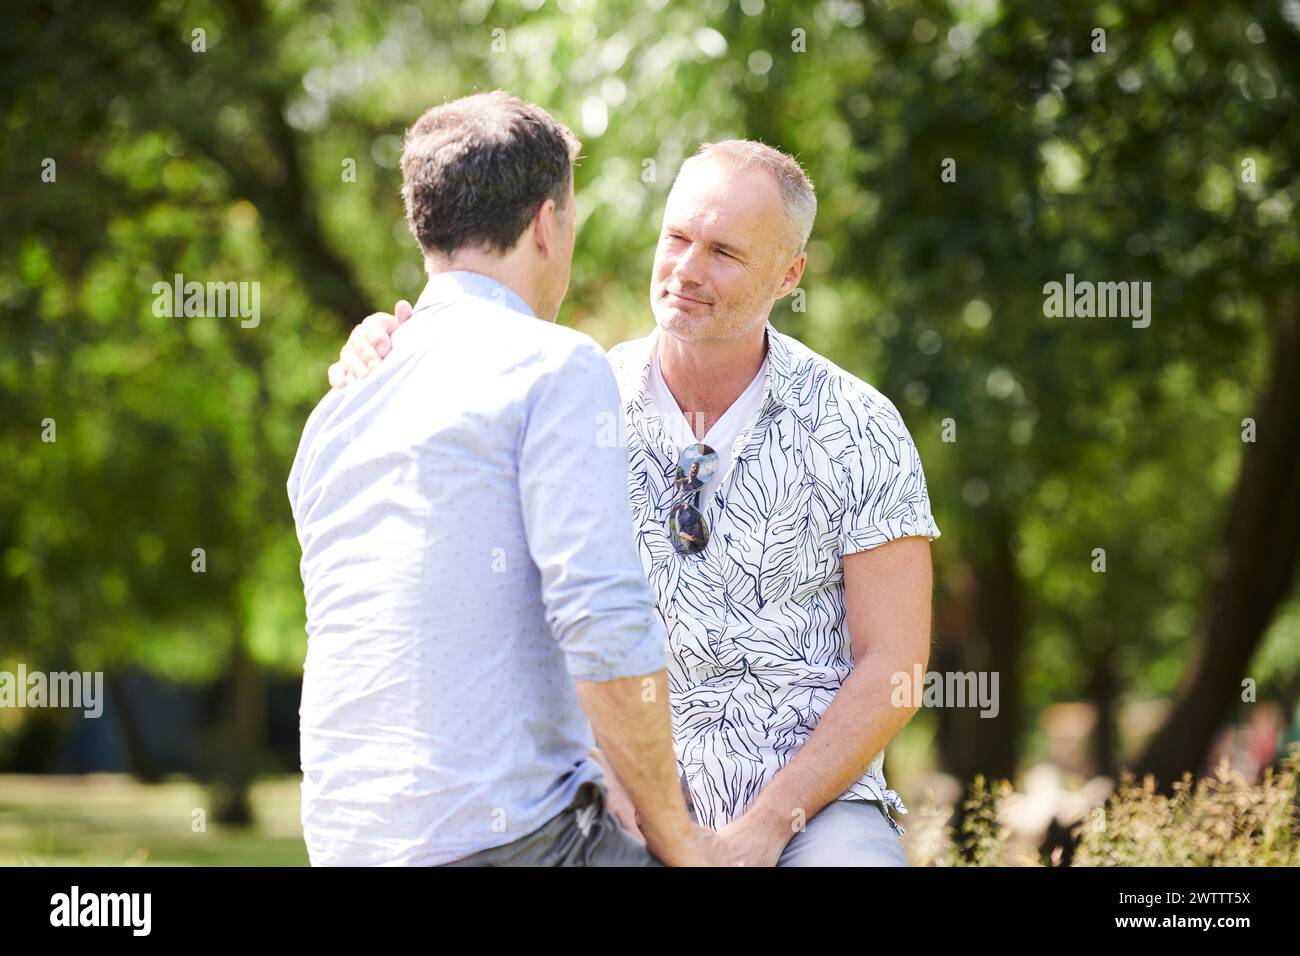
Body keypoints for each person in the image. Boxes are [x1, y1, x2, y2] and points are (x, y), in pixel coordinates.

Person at [330, 137, 940, 867]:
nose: (685, 269)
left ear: (789, 274)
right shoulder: (571, 398)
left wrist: (772, 822)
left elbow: (895, 666)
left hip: (815, 810)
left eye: (724, 252)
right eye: (677, 237)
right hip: (613, 801)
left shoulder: (860, 424)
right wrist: (387, 346)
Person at [287, 91, 733, 867]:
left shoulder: (336, 412)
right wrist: (680, 840)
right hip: (512, 844)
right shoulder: (555, 366)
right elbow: (601, 617)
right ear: (546, 224)